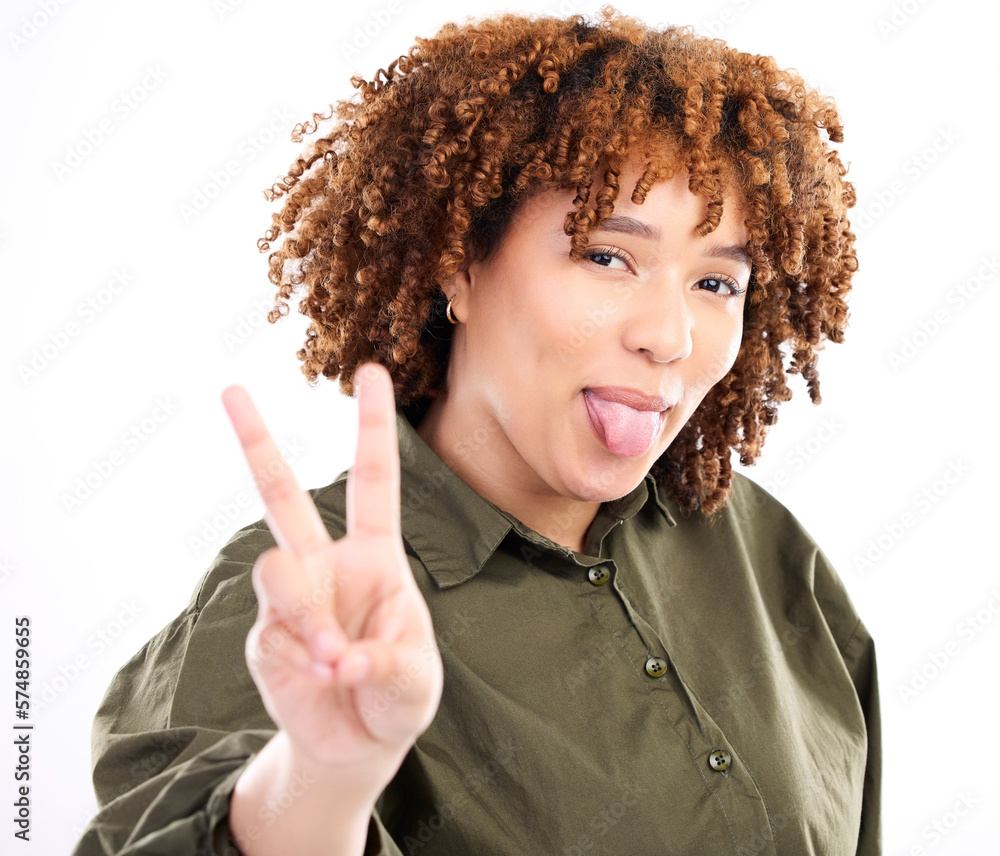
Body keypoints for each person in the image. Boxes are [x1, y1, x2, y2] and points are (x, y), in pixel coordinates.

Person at [73, 8, 880, 855]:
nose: (671, 337)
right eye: (608, 256)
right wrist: (324, 778)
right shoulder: (304, 601)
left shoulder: (759, 549)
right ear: (457, 262)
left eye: (717, 283)